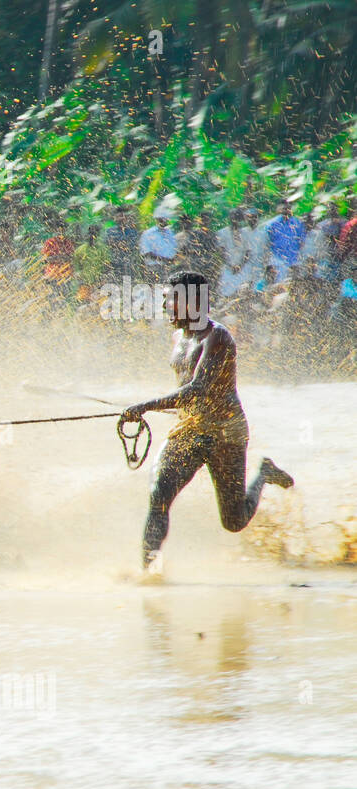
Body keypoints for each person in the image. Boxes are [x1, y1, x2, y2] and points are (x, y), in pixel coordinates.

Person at [120, 271, 294, 572]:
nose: (164, 308)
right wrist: (157, 409)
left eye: (169, 300)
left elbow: (199, 388)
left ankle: (264, 473)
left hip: (225, 430)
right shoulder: (178, 336)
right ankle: (147, 573)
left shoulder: (217, 337)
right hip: (190, 428)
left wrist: (146, 405)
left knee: (234, 520)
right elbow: (188, 391)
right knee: (159, 494)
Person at [216, 207, 258, 299]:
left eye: (237, 217)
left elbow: (248, 251)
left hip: (242, 268)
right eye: (233, 217)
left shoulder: (246, 233)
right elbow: (221, 251)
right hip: (228, 268)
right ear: (230, 218)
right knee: (226, 293)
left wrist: (240, 265)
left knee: (243, 291)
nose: (235, 220)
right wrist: (231, 265)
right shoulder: (222, 233)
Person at [263, 201, 307, 285]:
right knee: (278, 285)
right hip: (277, 260)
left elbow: (302, 242)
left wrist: (297, 257)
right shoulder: (272, 224)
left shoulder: (297, 223)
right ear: (280, 210)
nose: (287, 211)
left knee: (293, 285)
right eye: (284, 209)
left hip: (293, 260)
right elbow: (267, 243)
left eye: (288, 209)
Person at [103, 206, 140, 285]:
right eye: (118, 216)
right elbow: (106, 247)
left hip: (128, 265)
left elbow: (133, 247)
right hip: (114, 264)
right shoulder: (110, 231)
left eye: (122, 216)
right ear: (115, 218)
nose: (121, 218)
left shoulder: (132, 232)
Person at [72, 225, 109, 301]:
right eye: (91, 234)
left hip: (99, 283)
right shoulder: (80, 250)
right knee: (83, 303)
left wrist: (103, 280)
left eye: (94, 235)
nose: (92, 237)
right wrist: (80, 280)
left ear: (97, 236)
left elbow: (107, 267)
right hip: (84, 284)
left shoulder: (103, 249)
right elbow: (76, 269)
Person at [40, 218, 75, 296]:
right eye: (59, 230)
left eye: (63, 230)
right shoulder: (50, 242)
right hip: (53, 275)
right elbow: (45, 259)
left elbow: (71, 258)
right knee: (54, 297)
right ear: (55, 230)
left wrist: (58, 258)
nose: (61, 232)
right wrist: (60, 257)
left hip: (66, 276)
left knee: (65, 297)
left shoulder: (68, 242)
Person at [140, 213, 178, 281]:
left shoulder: (170, 233)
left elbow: (174, 250)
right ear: (157, 219)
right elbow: (147, 254)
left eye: (165, 218)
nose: (164, 220)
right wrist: (165, 260)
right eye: (161, 218)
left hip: (170, 269)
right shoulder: (148, 233)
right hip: (154, 269)